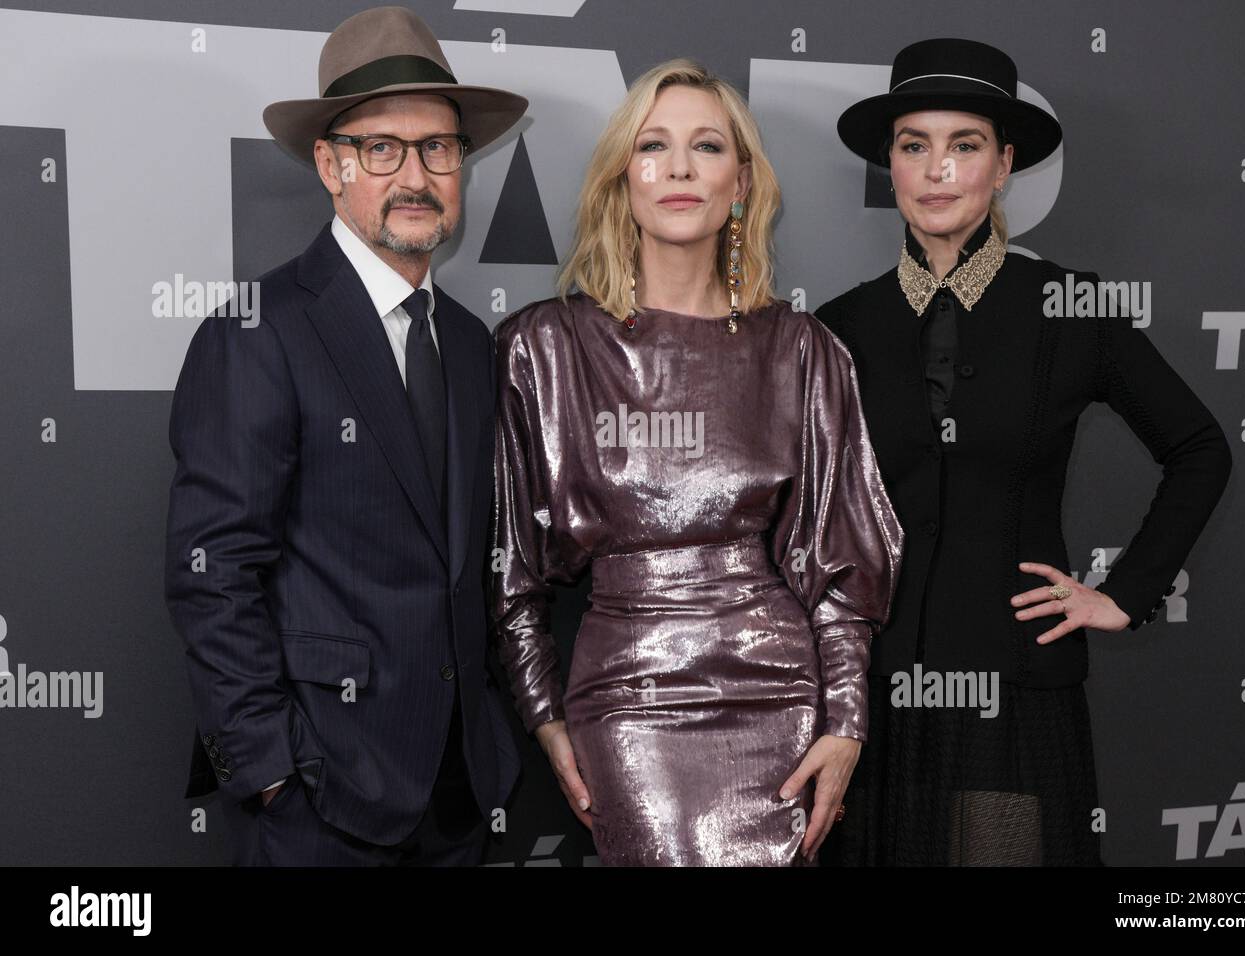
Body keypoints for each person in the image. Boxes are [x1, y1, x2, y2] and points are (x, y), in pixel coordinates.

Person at [816, 37, 1232, 865]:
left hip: (1011, 702)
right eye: (914, 146)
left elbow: (1199, 447)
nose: (938, 171)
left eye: (963, 146)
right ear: (890, 167)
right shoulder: (837, 327)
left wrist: (1124, 594)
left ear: (1003, 166)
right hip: (870, 704)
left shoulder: (1073, 307)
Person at [489, 59, 903, 866]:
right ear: (623, 178)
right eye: (654, 146)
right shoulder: (544, 348)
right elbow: (512, 567)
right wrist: (543, 712)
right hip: (626, 703)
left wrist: (846, 720)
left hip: (779, 693)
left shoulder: (802, 351)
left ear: (741, 183)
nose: (680, 168)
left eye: (707, 147)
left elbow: (839, 557)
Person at [164, 6, 529, 865]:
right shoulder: (260, 329)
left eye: (438, 148)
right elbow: (210, 574)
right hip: (318, 800)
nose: (415, 175)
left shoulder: (473, 344)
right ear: (330, 165)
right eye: (382, 149)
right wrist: (270, 771)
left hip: (457, 793)